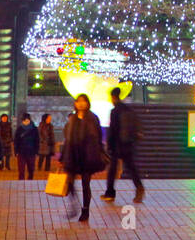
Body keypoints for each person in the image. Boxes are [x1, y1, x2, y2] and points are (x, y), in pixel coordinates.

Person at [60, 93, 105, 221]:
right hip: (73, 155)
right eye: (78, 101)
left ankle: (85, 210)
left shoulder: (93, 118)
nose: (80, 103)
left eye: (83, 101)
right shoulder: (72, 119)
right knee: (70, 182)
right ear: (75, 103)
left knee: (86, 184)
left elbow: (98, 137)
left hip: (87, 155)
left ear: (87, 103)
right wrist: (63, 157)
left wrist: (97, 152)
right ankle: (74, 205)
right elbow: (67, 139)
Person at [102, 87, 145, 203]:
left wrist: (109, 145)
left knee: (112, 170)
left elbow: (113, 129)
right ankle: (139, 187)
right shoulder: (128, 109)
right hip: (128, 144)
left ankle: (110, 193)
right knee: (131, 168)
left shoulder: (114, 111)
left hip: (117, 145)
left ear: (113, 97)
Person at [15, 112, 40, 180]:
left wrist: (36, 151)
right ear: (22, 121)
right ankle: (21, 182)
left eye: (27, 120)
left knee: (31, 169)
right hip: (21, 152)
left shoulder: (34, 129)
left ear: (30, 120)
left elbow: (37, 140)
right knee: (21, 170)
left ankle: (30, 181)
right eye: (24, 121)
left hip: (31, 152)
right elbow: (16, 141)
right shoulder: (19, 129)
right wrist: (16, 151)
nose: (26, 122)